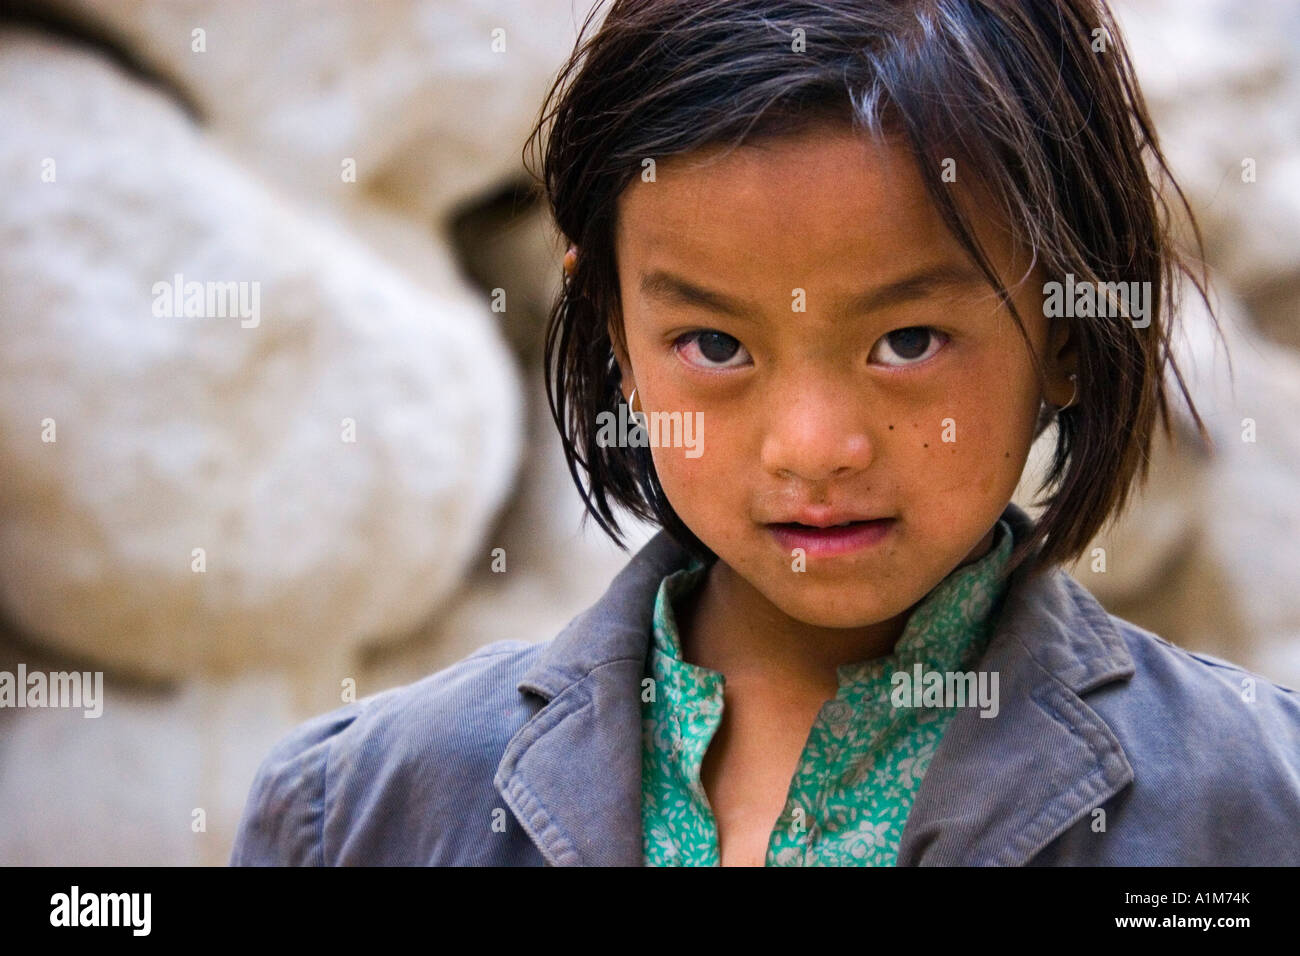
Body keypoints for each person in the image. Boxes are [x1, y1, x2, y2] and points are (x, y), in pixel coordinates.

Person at [229, 0, 1300, 866]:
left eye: (910, 338)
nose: (812, 445)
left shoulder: (1252, 803)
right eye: (713, 345)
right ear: (613, 330)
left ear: (1062, 326)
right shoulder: (360, 814)